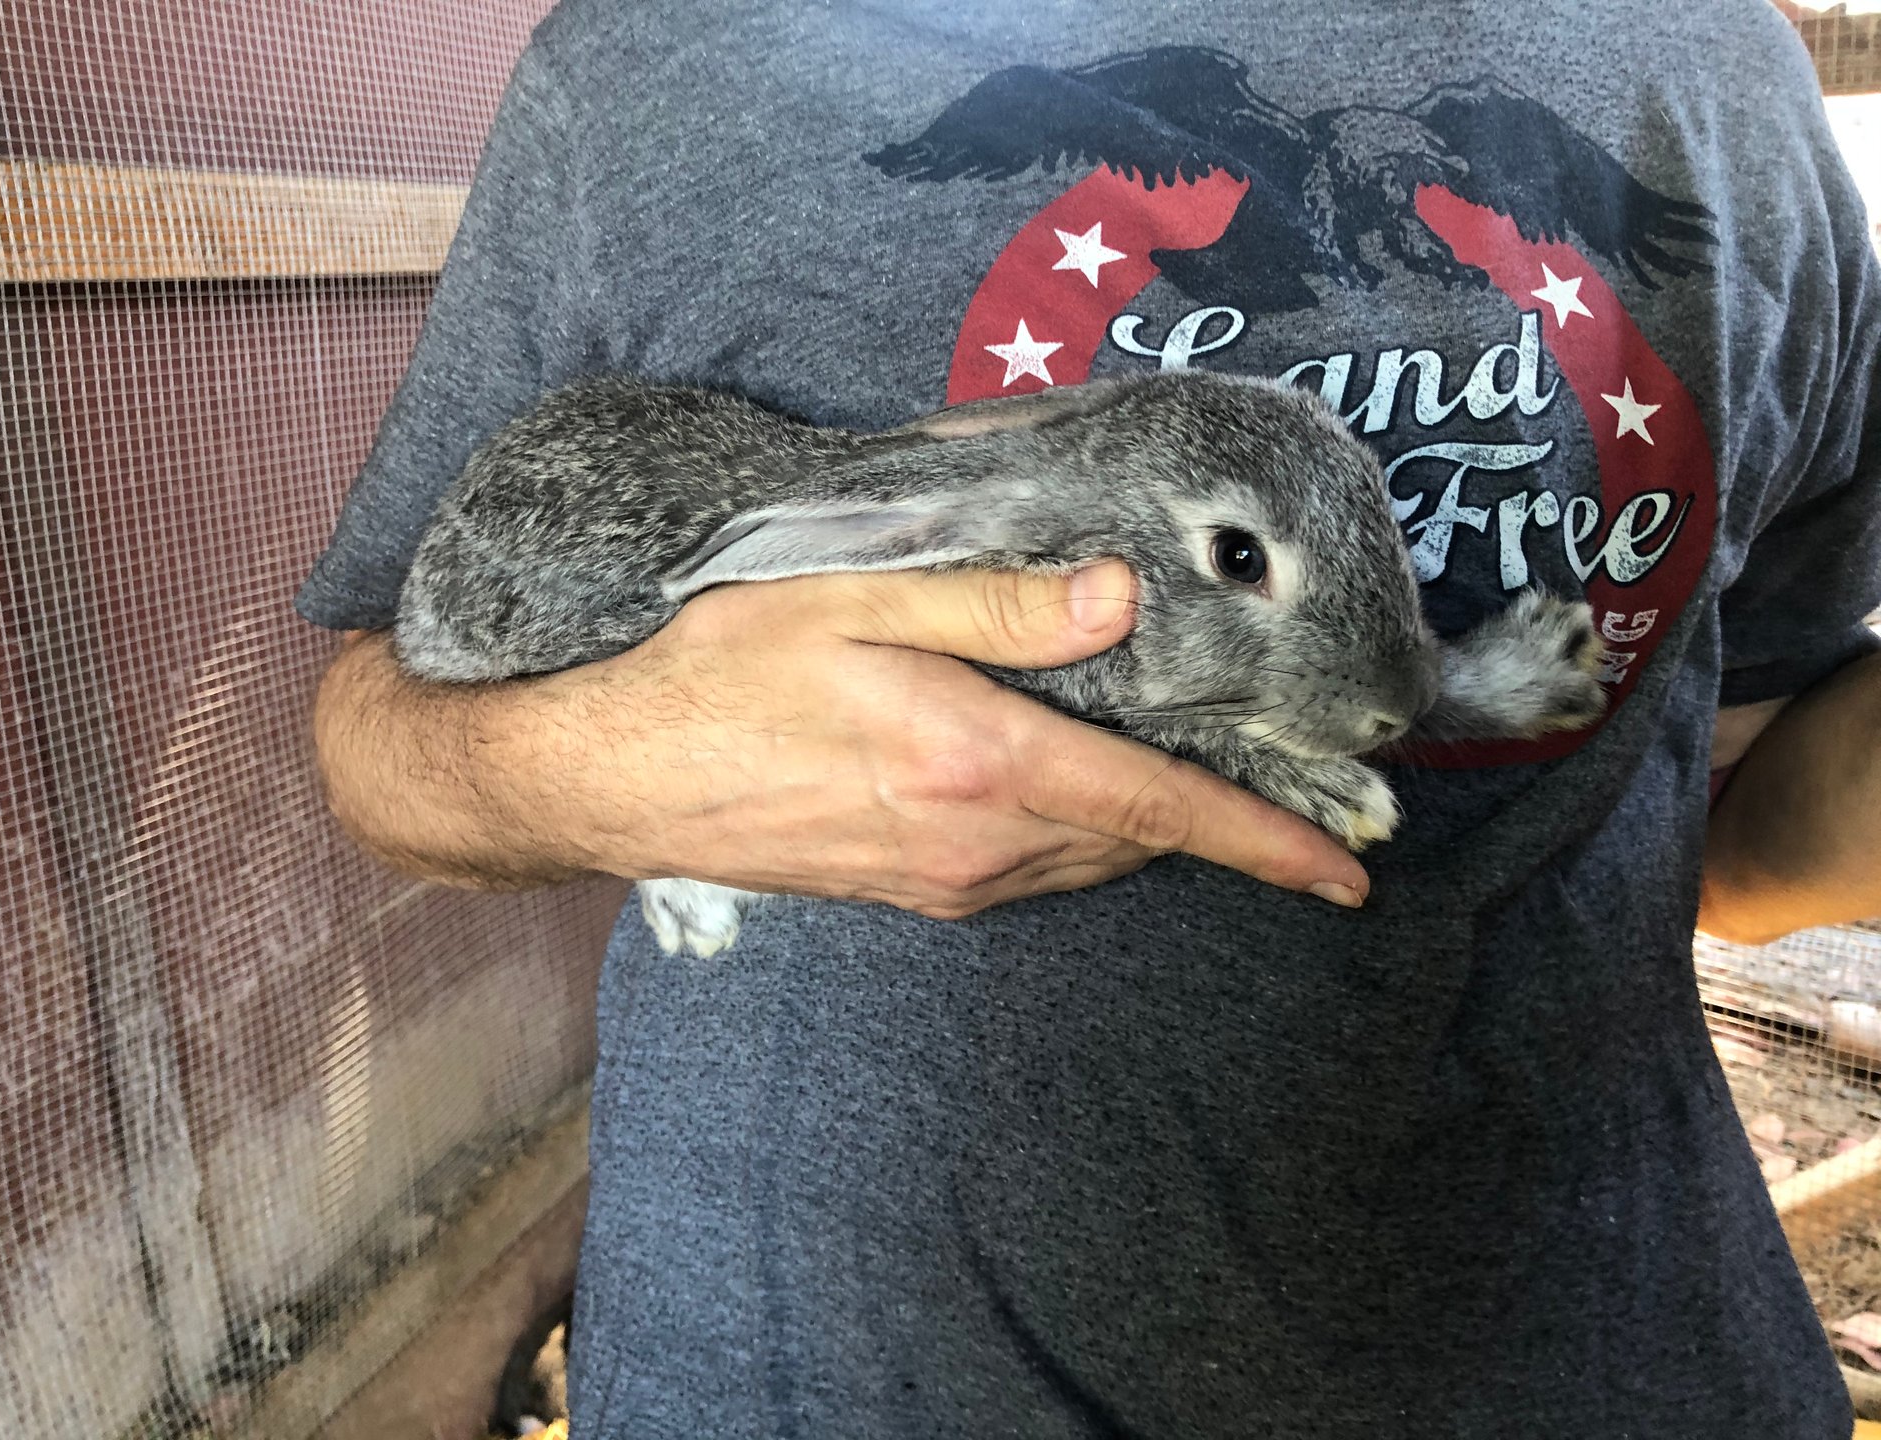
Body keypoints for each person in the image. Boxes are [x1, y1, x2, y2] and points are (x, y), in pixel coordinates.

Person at [298, 1, 1881, 1434]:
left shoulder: (1708, 65)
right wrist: (590, 763)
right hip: (817, 1374)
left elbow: (1735, 831)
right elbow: (385, 735)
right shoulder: (654, 59)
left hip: (1591, 1354)